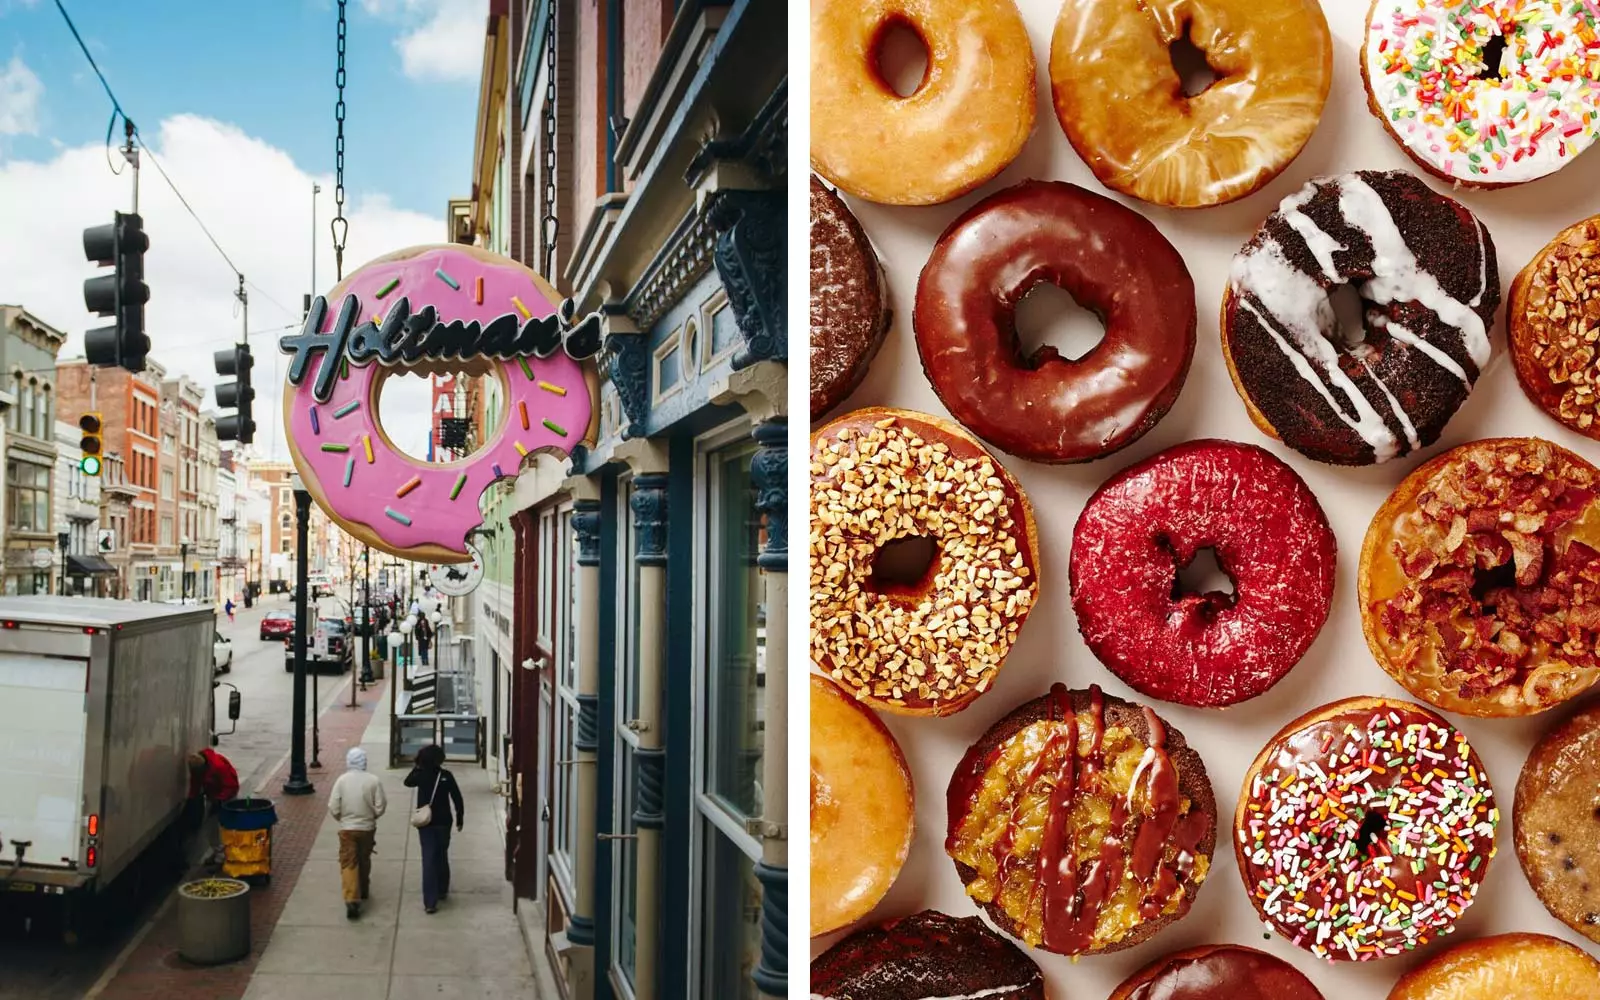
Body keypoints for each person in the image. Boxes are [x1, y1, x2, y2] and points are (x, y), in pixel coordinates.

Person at [327, 747, 387, 919]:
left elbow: (333, 806)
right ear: (364, 762)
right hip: (367, 828)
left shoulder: (341, 781)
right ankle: (364, 888)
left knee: (349, 862)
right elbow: (380, 806)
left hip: (347, 828)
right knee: (364, 858)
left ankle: (352, 898)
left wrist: (342, 819)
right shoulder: (373, 781)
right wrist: (372, 816)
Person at [403, 744, 463, 914]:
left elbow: (407, 782)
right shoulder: (446, 776)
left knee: (428, 858)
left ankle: (430, 901)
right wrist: (460, 817)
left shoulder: (420, 775)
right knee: (442, 854)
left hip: (426, 822)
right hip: (444, 821)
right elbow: (457, 797)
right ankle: (442, 888)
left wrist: (417, 766)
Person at [187, 748, 239, 867]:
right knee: (210, 826)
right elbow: (195, 783)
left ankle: (222, 856)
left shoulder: (218, 767)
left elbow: (231, 786)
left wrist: (219, 801)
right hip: (214, 795)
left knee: (222, 826)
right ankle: (218, 852)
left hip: (226, 795)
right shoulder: (199, 768)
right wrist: (192, 798)